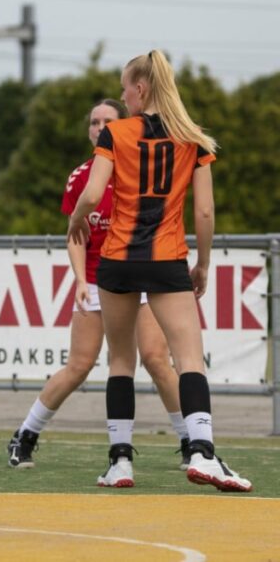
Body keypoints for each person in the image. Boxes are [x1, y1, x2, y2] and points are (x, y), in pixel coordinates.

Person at [67, 50, 251, 492]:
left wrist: (76, 219)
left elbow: (92, 196)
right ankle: (203, 453)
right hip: (168, 259)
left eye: (126, 86)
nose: (124, 94)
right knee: (189, 359)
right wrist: (203, 263)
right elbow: (204, 212)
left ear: (141, 88)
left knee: (120, 361)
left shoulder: (114, 133)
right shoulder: (194, 138)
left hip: (118, 260)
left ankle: (120, 462)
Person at [7, 99, 189, 478]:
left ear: (123, 127)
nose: (98, 127)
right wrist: (78, 279)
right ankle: (25, 434)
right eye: (94, 121)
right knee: (79, 364)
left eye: (107, 120)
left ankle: (193, 443)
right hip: (97, 279)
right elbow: (76, 235)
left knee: (155, 359)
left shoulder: (140, 173)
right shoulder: (81, 178)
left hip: (140, 275)